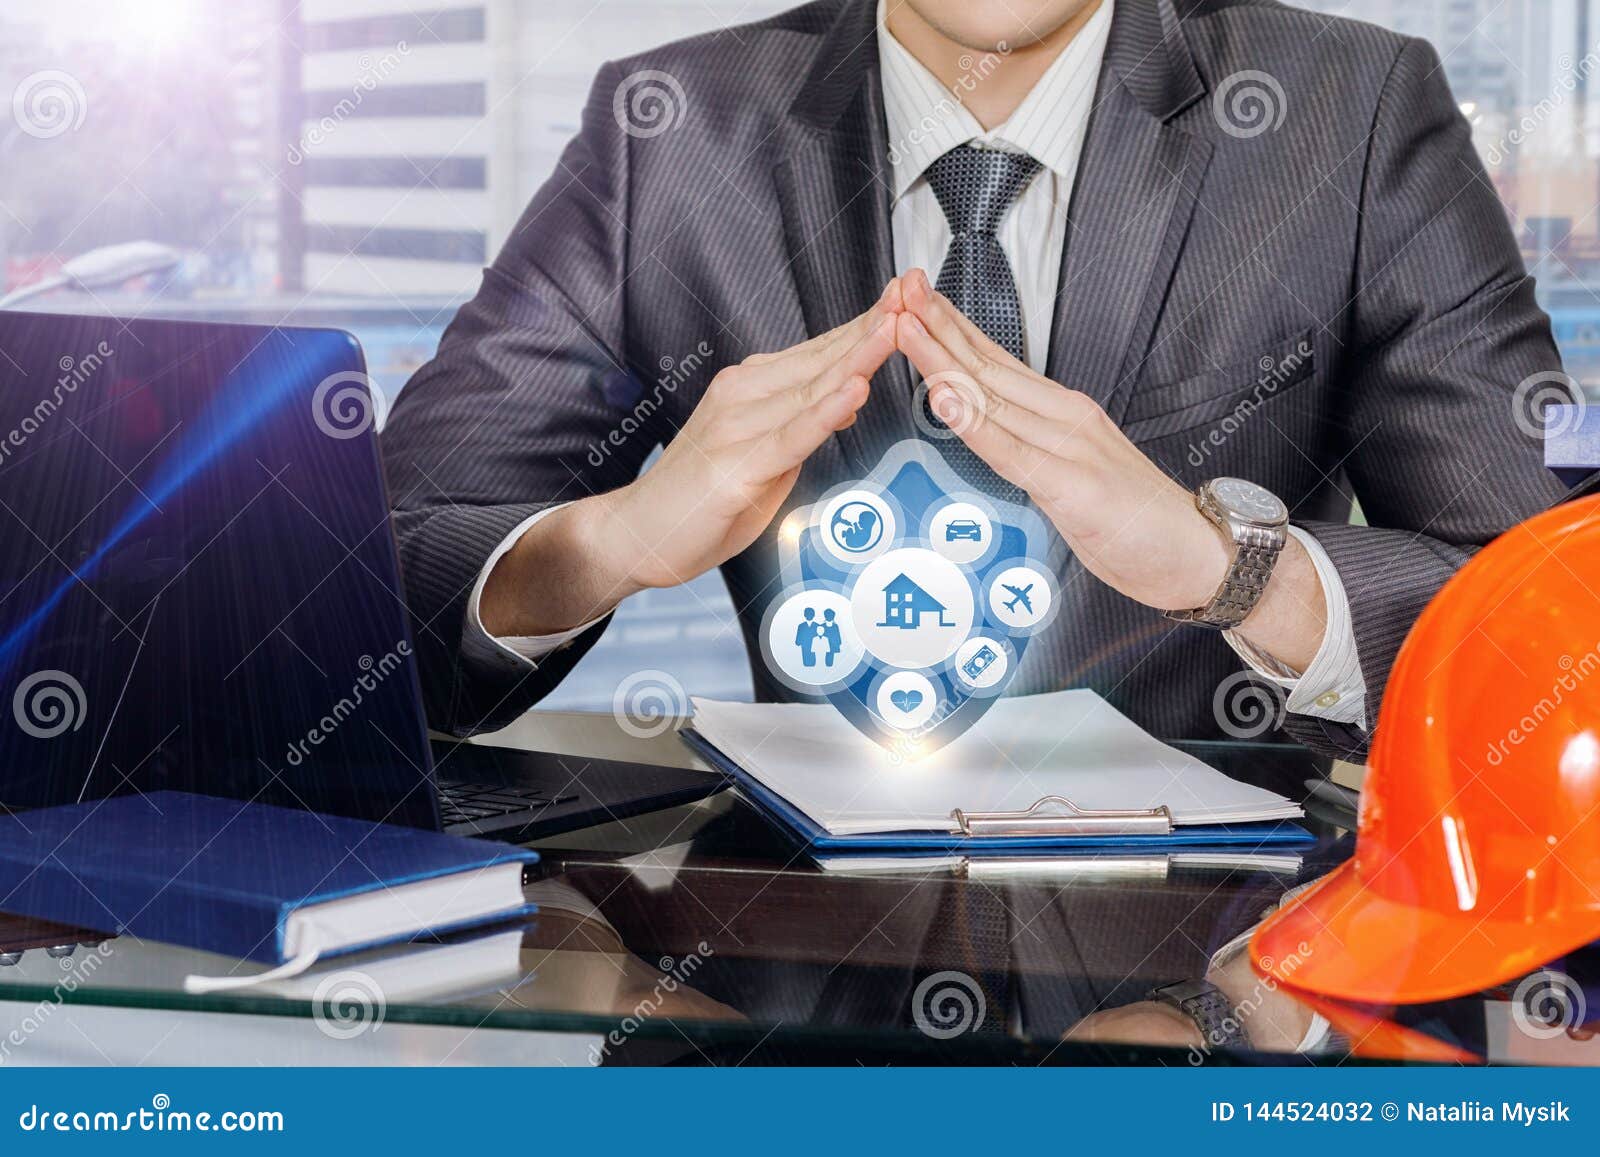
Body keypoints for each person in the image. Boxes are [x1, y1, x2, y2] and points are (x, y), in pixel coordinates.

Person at [381, 0, 1569, 759]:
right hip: (797, 977)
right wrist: (613, 544)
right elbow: (374, 579)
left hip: (1219, 971)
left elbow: (1558, 618)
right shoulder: (675, 132)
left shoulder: (1347, 116)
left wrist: (1222, 568)